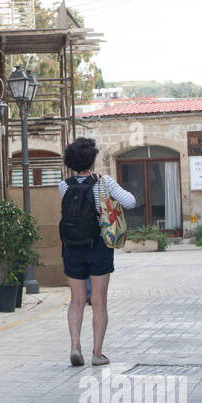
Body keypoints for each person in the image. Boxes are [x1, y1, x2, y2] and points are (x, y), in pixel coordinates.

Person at [57, 137, 137, 367]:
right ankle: (97, 353)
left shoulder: (64, 186)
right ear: (92, 160)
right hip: (99, 247)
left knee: (76, 299)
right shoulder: (104, 182)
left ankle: (75, 346)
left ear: (71, 162)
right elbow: (130, 202)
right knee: (99, 300)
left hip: (72, 247)